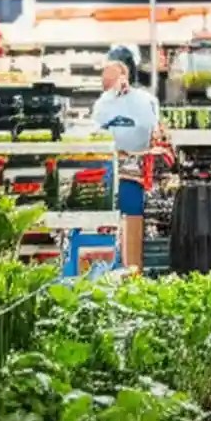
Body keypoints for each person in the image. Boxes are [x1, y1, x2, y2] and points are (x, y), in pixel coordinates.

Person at [91, 45, 162, 269]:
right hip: (135, 178)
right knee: (131, 232)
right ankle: (130, 274)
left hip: (108, 177)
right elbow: (155, 136)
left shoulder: (104, 102)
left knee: (106, 232)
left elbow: (95, 136)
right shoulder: (147, 100)